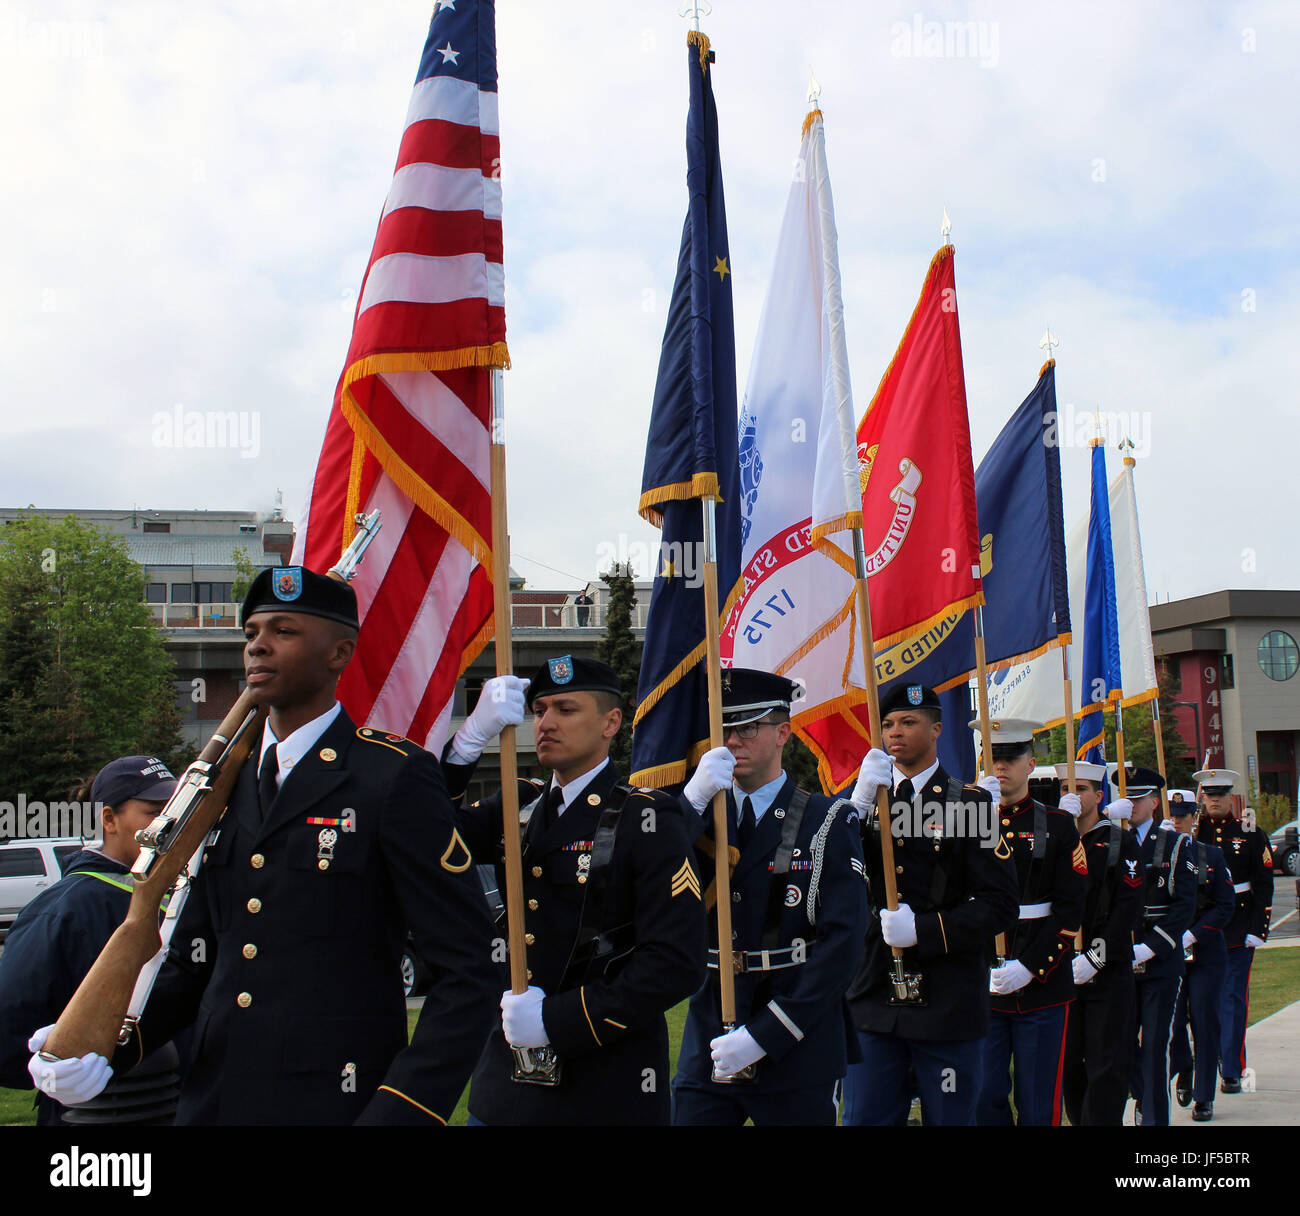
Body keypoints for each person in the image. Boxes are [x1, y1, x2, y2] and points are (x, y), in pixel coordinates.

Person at [29, 566, 500, 1125]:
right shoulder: (221, 785)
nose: (257, 645)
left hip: (335, 1103)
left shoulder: (391, 778)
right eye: (251, 631)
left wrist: (402, 1111)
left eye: (283, 630)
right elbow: (197, 957)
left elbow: (468, 972)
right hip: (215, 1100)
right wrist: (108, 1044)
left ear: (339, 652)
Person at [442, 655, 707, 1125]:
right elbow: (428, 835)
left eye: (566, 709)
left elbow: (676, 963)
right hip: (504, 1089)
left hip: (603, 1086)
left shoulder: (646, 818)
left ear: (611, 722)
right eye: (539, 709)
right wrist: (466, 746)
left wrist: (556, 1021)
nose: (545, 722)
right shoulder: (517, 803)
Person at [668, 668, 866, 1125]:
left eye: (747, 727)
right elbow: (648, 883)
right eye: (724, 729)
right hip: (710, 1035)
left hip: (797, 1039)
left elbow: (842, 947)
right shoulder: (698, 815)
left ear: (783, 733)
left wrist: (767, 1034)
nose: (732, 741)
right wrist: (689, 805)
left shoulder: (828, 819)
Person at [840, 684, 1019, 1126]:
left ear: (937, 728)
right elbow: (830, 876)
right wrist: (855, 808)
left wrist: (925, 929)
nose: (894, 732)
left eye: (908, 722)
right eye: (887, 724)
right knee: (865, 1117)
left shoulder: (968, 803)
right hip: (873, 993)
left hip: (947, 999)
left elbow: (1000, 903)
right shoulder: (865, 800)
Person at [1, 757, 183, 1125]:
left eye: (176, 809)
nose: (171, 823)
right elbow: (8, 1035)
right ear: (109, 820)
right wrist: (62, 1069)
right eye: (154, 811)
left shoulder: (178, 892)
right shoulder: (64, 908)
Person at [975, 720, 1086, 1127]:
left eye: (1010, 757)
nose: (1000, 766)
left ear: (1030, 764)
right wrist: (975, 822)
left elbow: (1071, 908)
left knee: (1038, 1102)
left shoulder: (1057, 825)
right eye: (992, 757)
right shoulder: (962, 824)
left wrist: (1031, 966)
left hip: (1042, 983)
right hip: (982, 983)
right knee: (984, 1098)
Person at [1057, 761, 1143, 1126]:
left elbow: (1129, 907)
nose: (1071, 796)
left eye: (1080, 789)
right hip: (1063, 970)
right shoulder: (1056, 839)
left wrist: (1096, 955)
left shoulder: (1120, 841)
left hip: (1107, 969)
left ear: (1099, 795)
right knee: (1069, 1066)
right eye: (1064, 789)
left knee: (1106, 1065)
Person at [1110, 766, 1196, 1126]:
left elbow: (1183, 905)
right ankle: (1143, 1094)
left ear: (1154, 802)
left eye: (1138, 797)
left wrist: (1152, 946)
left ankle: (1154, 1118)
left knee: (1155, 1048)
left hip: (1159, 962)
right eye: (1125, 796)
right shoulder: (1111, 842)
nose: (1130, 803)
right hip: (1118, 960)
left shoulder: (1174, 844)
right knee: (1121, 1047)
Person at [1191, 767, 1273, 1096]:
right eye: (1209, 796)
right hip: (1200, 929)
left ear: (1230, 798)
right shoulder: (1193, 834)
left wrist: (1259, 929)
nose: (1214, 800)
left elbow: (1264, 885)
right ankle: (1205, 1060)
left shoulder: (1250, 832)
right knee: (1199, 1003)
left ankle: (1232, 1068)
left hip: (1238, 928)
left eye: (1220, 795)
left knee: (1232, 1000)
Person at [1167, 793, 1234, 1122]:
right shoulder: (1158, 855)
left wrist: (1193, 934)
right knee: (1174, 1024)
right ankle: (1184, 1066)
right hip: (1168, 952)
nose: (1177, 820)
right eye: (1172, 815)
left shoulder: (1211, 855)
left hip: (1205, 950)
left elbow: (1225, 905)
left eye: (1183, 815)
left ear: (1195, 817)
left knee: (1205, 1023)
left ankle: (1205, 1097)